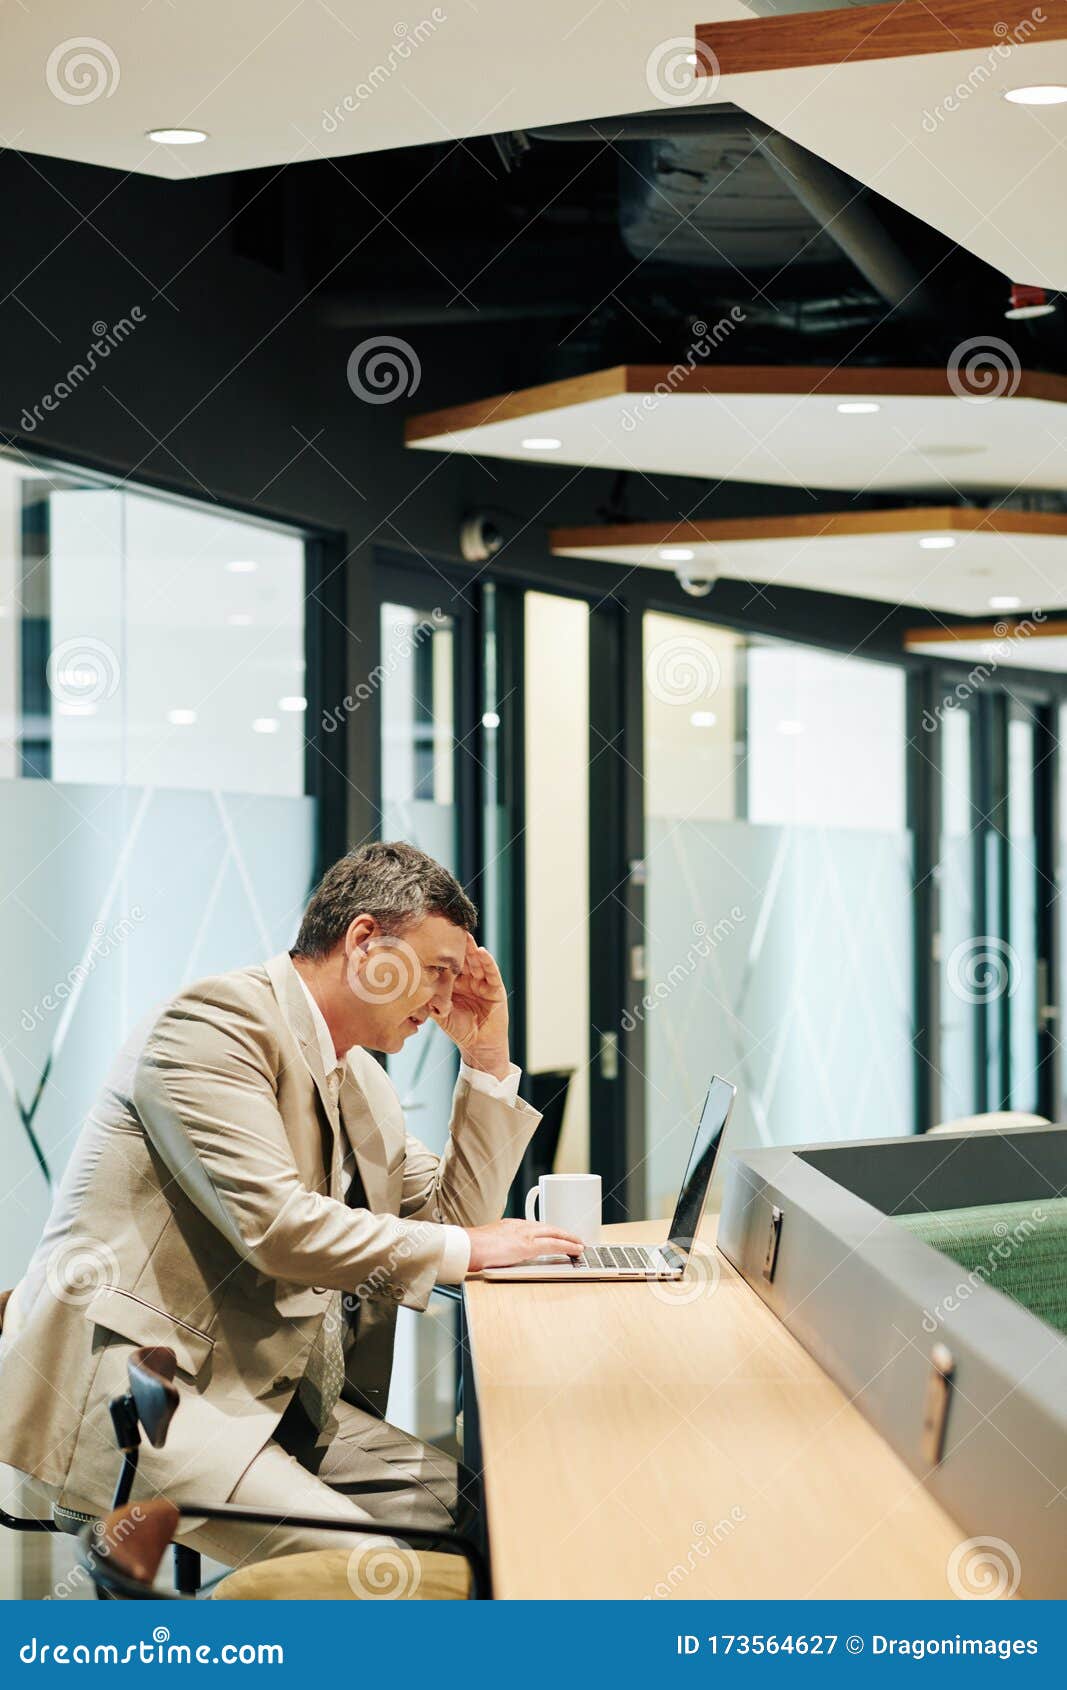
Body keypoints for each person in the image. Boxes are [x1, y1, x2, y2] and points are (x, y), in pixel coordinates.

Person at [0, 841, 582, 1571]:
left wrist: (487, 1061)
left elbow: (453, 1224)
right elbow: (276, 1228)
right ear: (365, 941)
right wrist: (469, 1249)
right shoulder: (213, 1025)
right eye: (437, 970)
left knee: (485, 1514)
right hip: (148, 1395)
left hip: (268, 1396)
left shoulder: (360, 1080)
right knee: (377, 1568)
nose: (443, 1001)